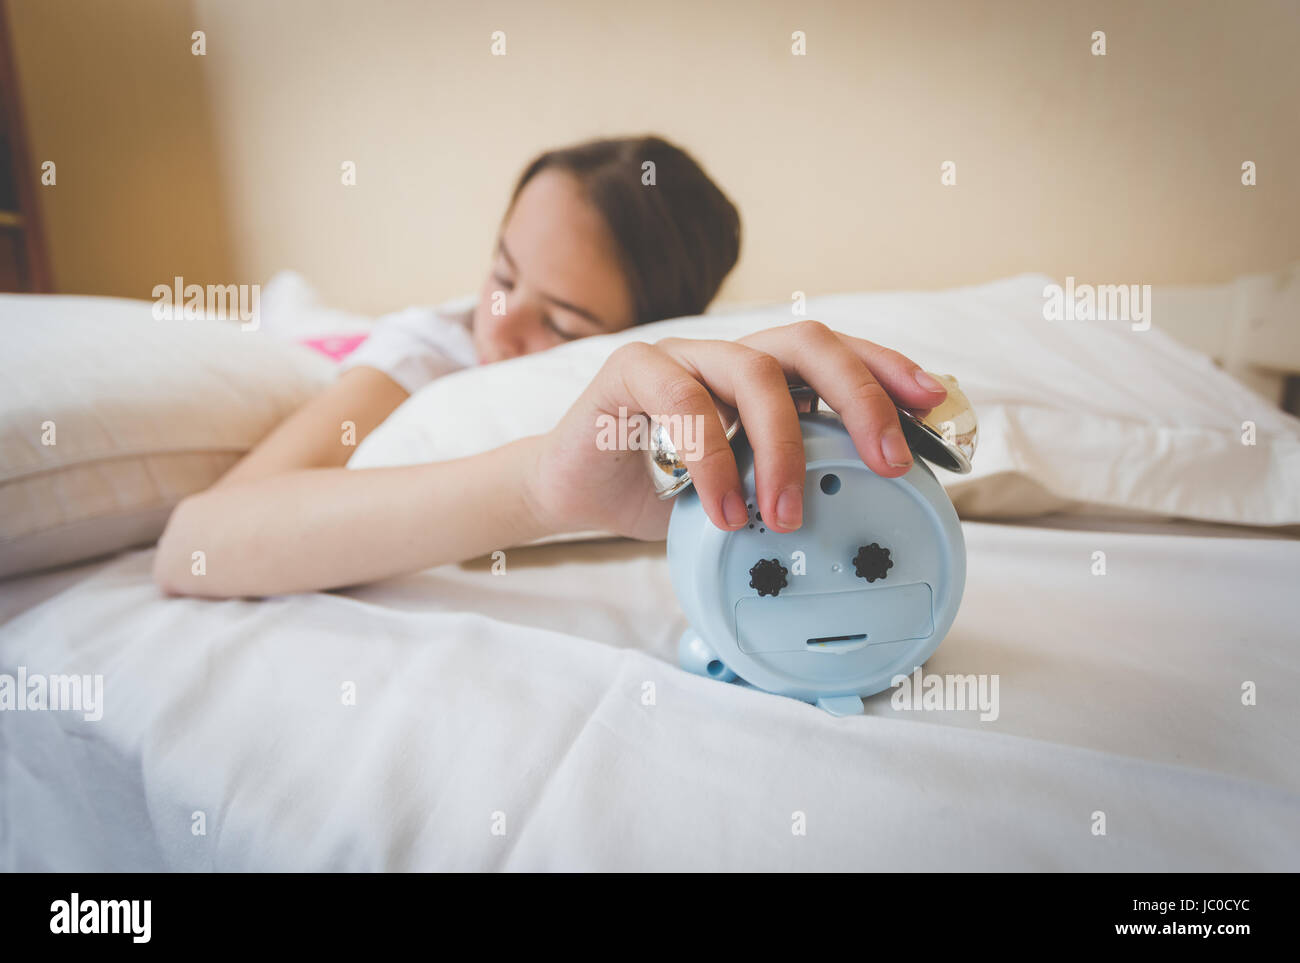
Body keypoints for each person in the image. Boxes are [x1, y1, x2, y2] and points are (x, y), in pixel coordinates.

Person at [153, 134, 947, 597]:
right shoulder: (430, 346)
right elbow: (195, 540)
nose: (499, 324)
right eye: (502, 275)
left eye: (562, 322)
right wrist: (534, 489)